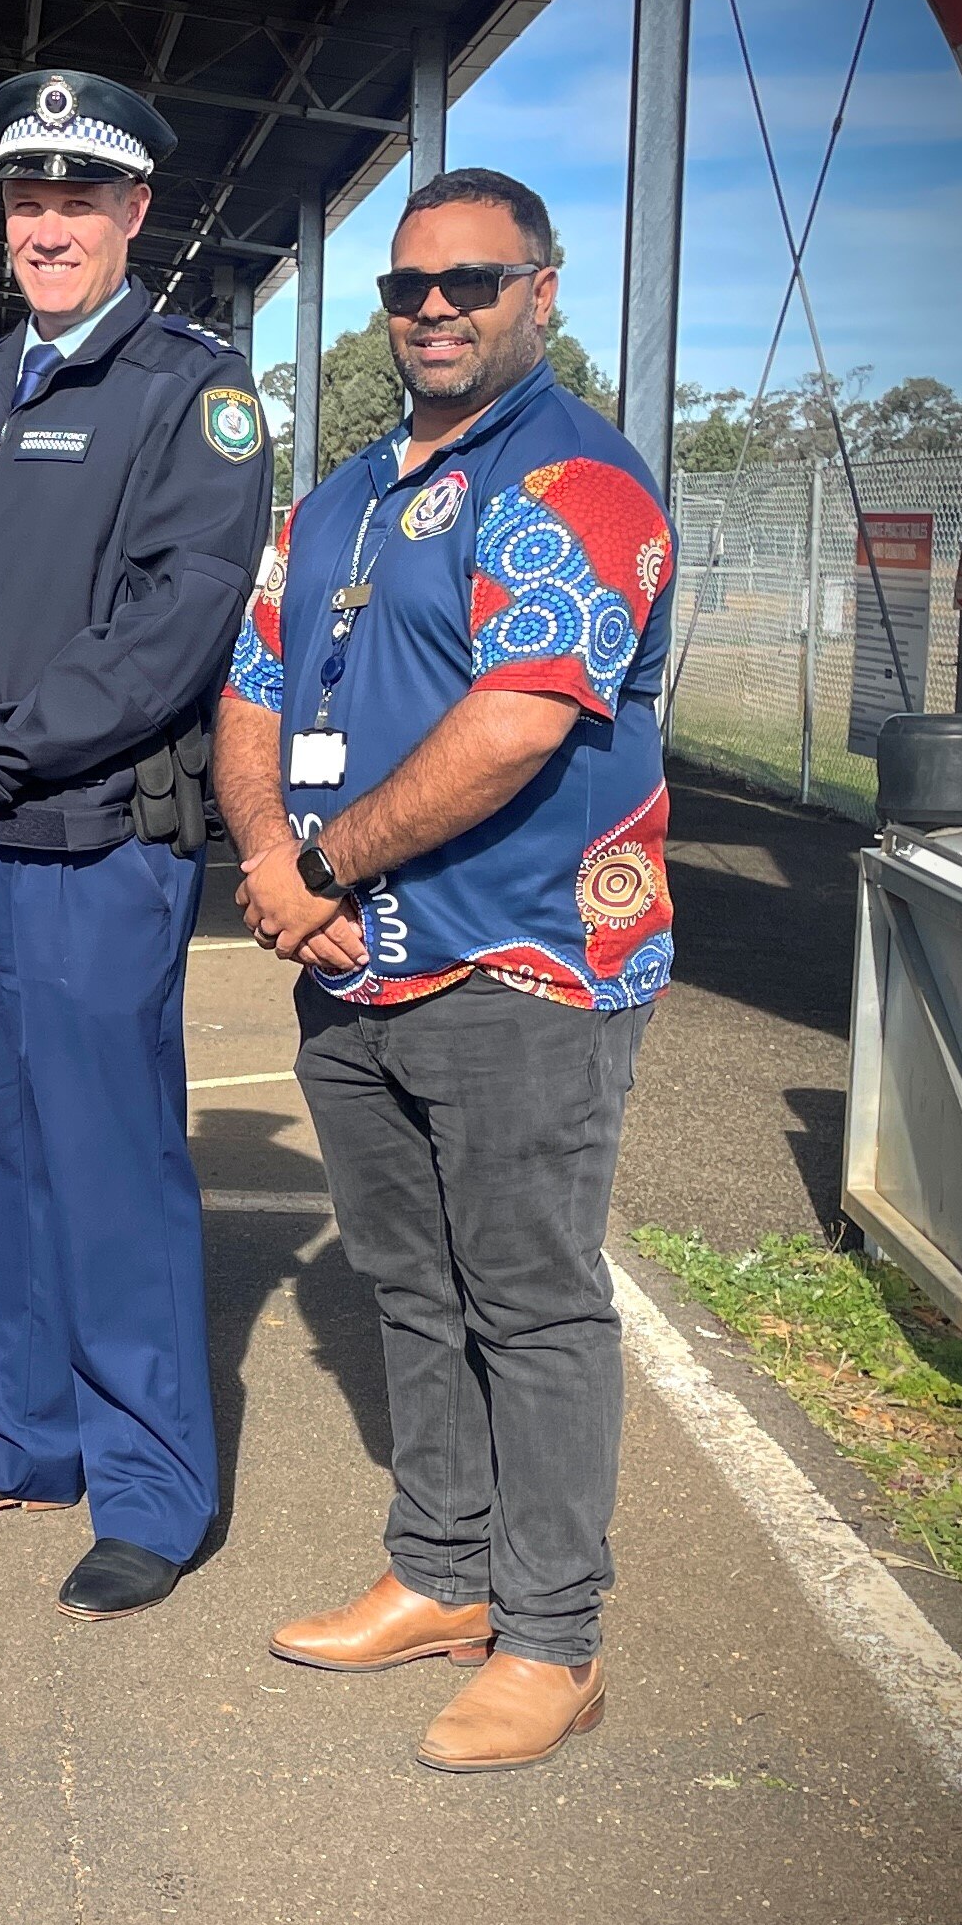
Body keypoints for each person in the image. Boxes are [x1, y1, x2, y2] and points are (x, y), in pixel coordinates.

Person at [213, 166, 674, 1773]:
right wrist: (272, 860)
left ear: (537, 291)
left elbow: (521, 716)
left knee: (531, 1302)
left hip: (518, 961)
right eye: (409, 286)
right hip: (350, 962)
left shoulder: (575, 481)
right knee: (407, 1284)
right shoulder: (333, 496)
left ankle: (553, 1638)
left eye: (470, 282)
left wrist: (324, 864)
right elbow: (256, 680)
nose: (433, 309)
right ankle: (442, 1570)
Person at [0, 68, 273, 1621]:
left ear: (134, 211)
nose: (47, 226)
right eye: (26, 199)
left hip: (92, 846)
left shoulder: (188, 395)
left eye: (76, 200)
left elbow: (172, 624)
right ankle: (14, 1433)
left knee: (108, 1166)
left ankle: (150, 1485)